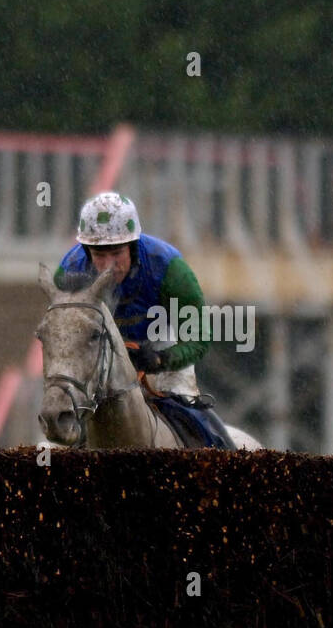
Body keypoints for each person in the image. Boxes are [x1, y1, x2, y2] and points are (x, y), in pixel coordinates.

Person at [55, 191, 236, 447]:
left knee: (191, 411)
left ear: (133, 246)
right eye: (99, 255)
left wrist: (162, 359)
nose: (108, 266)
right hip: (98, 355)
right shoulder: (69, 271)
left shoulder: (170, 269)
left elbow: (199, 338)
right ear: (86, 251)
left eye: (116, 253)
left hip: (161, 345)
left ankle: (226, 454)